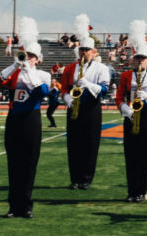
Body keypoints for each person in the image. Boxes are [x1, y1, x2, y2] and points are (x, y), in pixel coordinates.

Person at [0, 23, 51, 219]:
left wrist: (29, 71)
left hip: (31, 120)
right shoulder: (15, 73)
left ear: (38, 59)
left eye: (32, 56)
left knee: (29, 162)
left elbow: (43, 91)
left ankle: (26, 205)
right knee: (14, 162)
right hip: (14, 119)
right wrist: (15, 65)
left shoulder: (42, 75)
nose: (29, 58)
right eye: (27, 55)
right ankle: (13, 206)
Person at [116, 20, 147, 202]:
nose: (140, 61)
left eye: (143, 58)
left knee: (145, 156)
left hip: (146, 117)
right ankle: (131, 191)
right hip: (130, 117)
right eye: (137, 58)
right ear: (133, 59)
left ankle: (141, 191)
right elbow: (119, 97)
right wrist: (126, 110)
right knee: (130, 155)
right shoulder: (126, 75)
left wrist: (146, 96)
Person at [62, 14, 110, 190]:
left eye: (87, 50)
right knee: (73, 143)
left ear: (93, 51)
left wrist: (88, 84)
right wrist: (67, 99)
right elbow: (64, 87)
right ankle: (75, 178)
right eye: (82, 50)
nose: (84, 53)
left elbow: (104, 89)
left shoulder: (101, 68)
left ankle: (86, 178)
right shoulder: (70, 67)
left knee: (90, 143)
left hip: (91, 108)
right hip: (74, 107)